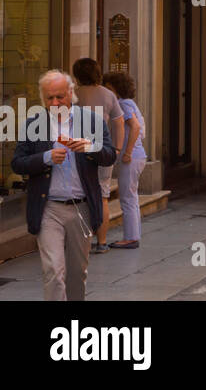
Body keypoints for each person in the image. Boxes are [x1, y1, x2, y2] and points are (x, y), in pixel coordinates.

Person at [12, 69, 117, 300]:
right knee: (53, 271)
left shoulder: (91, 121)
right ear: (43, 98)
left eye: (60, 96)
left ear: (71, 94)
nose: (56, 102)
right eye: (50, 98)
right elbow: (17, 163)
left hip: (81, 208)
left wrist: (90, 147)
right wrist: (45, 158)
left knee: (76, 273)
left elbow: (110, 155)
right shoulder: (34, 124)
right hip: (48, 208)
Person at [70, 58, 124, 256]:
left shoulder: (73, 93)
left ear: (76, 75)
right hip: (101, 149)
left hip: (75, 150)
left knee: (77, 194)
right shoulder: (108, 95)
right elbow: (119, 123)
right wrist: (117, 149)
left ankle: (80, 240)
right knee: (102, 196)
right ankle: (101, 242)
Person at [102, 72, 146, 249]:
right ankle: (133, 235)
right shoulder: (130, 103)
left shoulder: (122, 104)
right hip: (137, 156)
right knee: (131, 197)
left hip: (131, 157)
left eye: (108, 86)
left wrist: (126, 152)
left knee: (127, 197)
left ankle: (130, 238)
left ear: (114, 87)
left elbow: (135, 127)